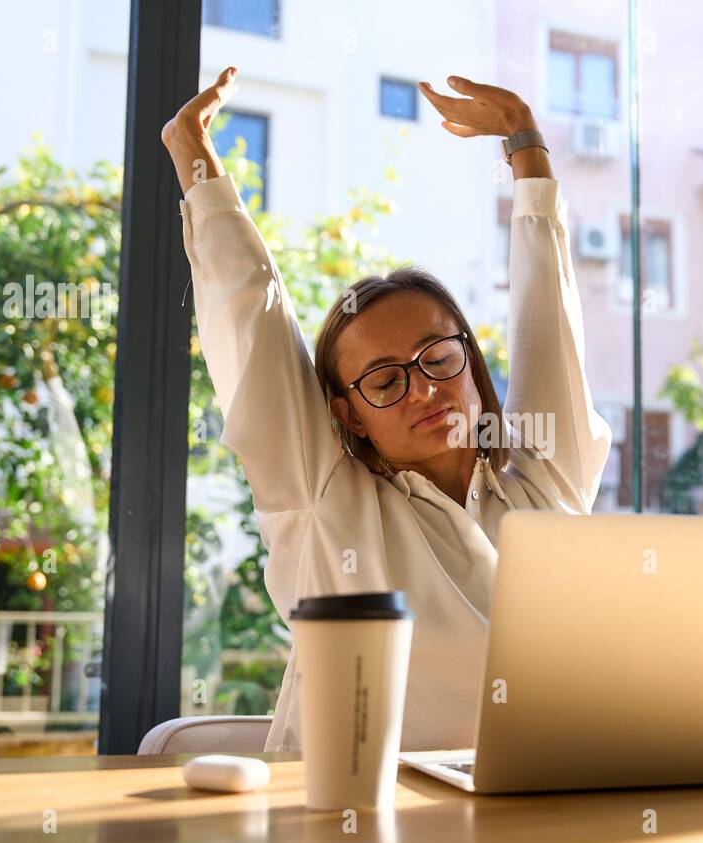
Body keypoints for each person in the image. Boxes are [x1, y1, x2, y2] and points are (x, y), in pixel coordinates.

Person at [161, 66, 612, 751]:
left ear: (469, 360)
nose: (425, 389)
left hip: (533, 820)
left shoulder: (546, 478)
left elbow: (548, 322)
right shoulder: (326, 501)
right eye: (384, 380)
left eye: (437, 357)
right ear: (346, 413)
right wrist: (193, 154)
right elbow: (254, 318)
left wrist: (527, 145)